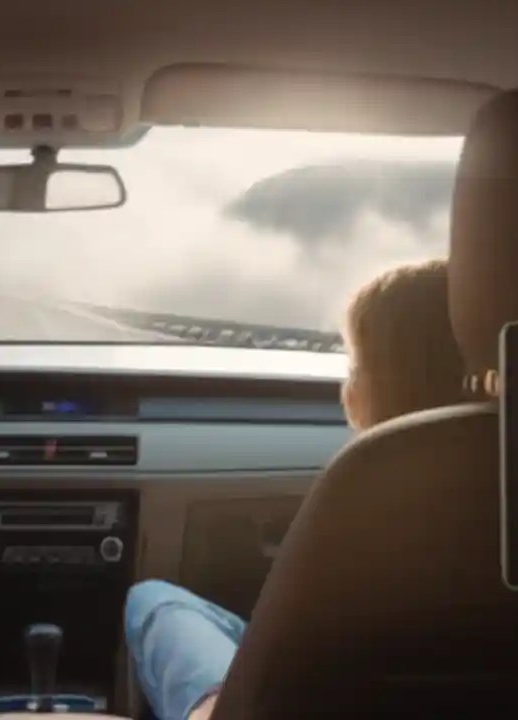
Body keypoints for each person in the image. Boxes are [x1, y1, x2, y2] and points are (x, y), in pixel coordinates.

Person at [123, 258, 464, 720]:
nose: (346, 386)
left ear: (371, 390)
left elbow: (295, 667)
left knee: (154, 601)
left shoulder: (356, 498)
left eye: (354, 368)